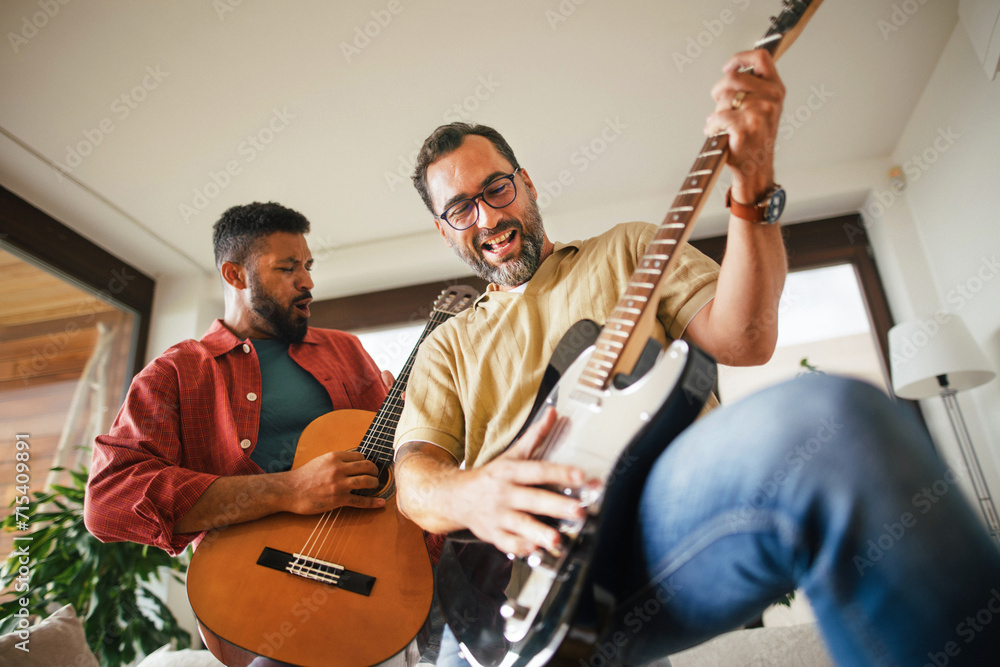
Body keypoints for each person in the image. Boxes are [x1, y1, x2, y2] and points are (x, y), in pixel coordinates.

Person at [392, 50, 1000, 665]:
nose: (489, 216)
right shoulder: (448, 343)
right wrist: (475, 496)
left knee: (833, 420)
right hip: (511, 577)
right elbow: (415, 481)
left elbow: (744, 337)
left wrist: (752, 182)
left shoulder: (628, 249)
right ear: (445, 230)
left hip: (653, 523)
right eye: (461, 208)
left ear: (526, 182)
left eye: (497, 188)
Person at [85, 202, 390, 555]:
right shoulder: (174, 373)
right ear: (235, 275)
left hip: (377, 557)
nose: (307, 282)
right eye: (287, 268)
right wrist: (290, 489)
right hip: (251, 587)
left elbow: (399, 459)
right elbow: (110, 499)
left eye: (307, 266)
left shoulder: (345, 349)